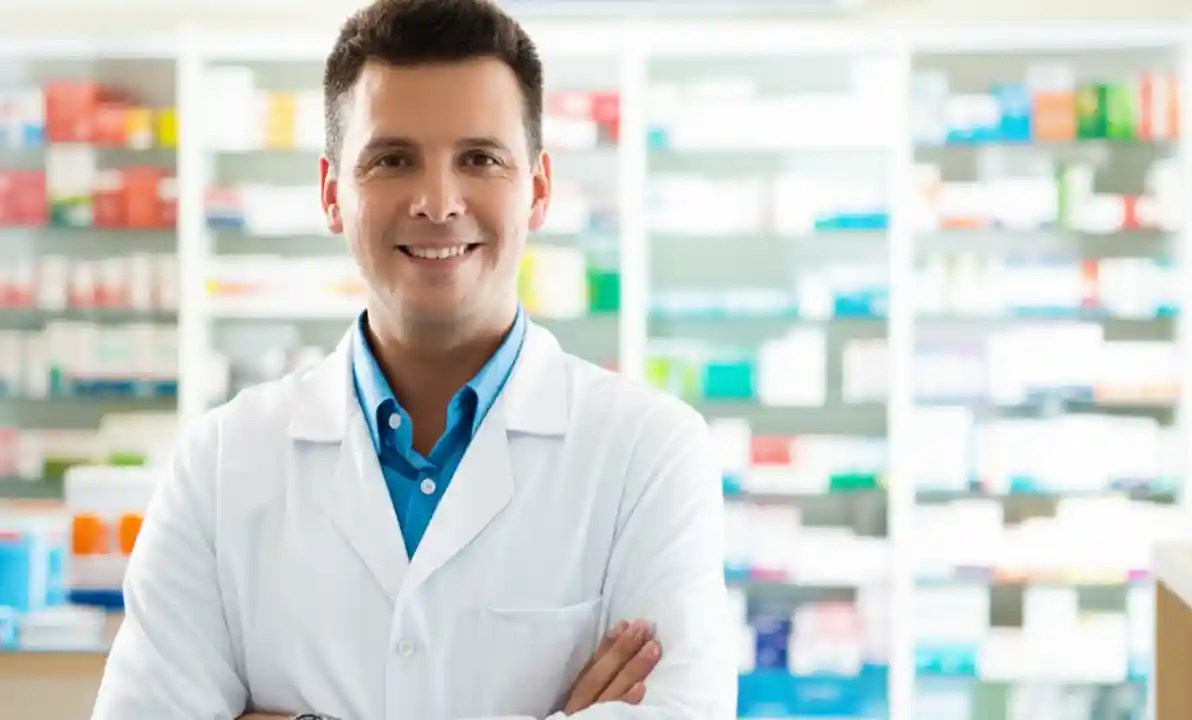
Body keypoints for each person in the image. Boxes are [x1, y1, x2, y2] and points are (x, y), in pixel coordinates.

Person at [90, 0, 734, 718]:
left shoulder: (649, 453)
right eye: (393, 160)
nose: (437, 201)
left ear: (538, 189)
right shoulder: (220, 463)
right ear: (332, 194)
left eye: (480, 159)